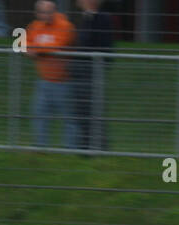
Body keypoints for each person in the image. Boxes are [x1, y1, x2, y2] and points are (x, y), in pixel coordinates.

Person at [26, 1, 76, 149]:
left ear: (55, 11)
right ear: (37, 13)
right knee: (39, 114)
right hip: (43, 81)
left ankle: (70, 150)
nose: (46, 15)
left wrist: (36, 50)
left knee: (69, 118)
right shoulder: (34, 26)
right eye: (42, 12)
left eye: (49, 12)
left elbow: (59, 45)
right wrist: (27, 50)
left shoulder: (65, 25)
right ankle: (40, 148)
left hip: (64, 81)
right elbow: (20, 43)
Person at [70, 0, 114, 152]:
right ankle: (86, 147)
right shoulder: (83, 18)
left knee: (93, 112)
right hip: (80, 73)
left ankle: (97, 149)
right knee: (81, 112)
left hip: (91, 72)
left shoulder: (101, 18)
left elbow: (104, 47)